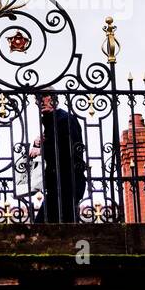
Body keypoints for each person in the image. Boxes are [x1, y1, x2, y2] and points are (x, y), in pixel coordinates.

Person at [29, 91, 87, 222]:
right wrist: (39, 143)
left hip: (67, 184)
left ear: (54, 99)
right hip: (56, 186)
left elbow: (70, 149)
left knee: (49, 226)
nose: (41, 101)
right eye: (38, 98)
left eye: (45, 97)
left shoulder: (65, 119)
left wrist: (42, 150)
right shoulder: (51, 121)